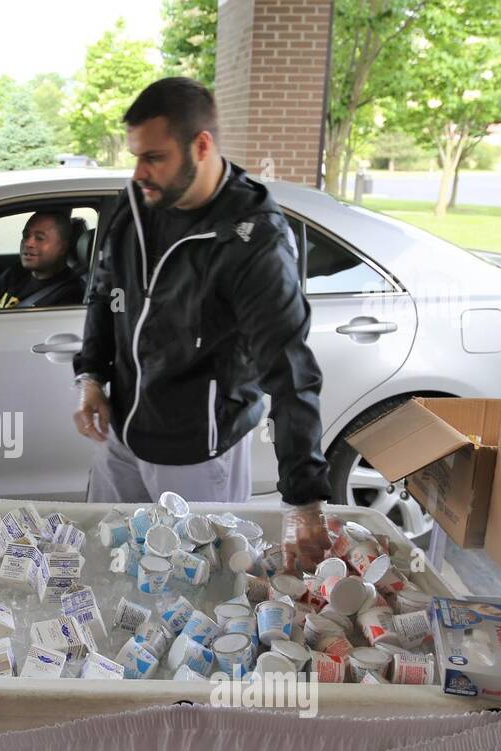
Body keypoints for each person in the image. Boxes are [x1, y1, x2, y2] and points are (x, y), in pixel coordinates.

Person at [71, 77, 333, 572]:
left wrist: (303, 500)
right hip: (121, 435)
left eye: (154, 157)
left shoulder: (252, 239)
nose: (139, 172)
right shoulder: (134, 205)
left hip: (197, 453)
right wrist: (91, 377)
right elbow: (106, 293)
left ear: (202, 145)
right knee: (107, 567)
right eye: (135, 156)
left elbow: (291, 370)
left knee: (198, 591)